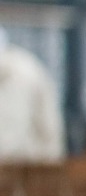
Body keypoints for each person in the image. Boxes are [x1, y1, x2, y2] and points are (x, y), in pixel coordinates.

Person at [0, 26, 63, 162]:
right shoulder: (30, 68)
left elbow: (48, 129)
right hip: (28, 166)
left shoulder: (27, 73)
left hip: (25, 166)